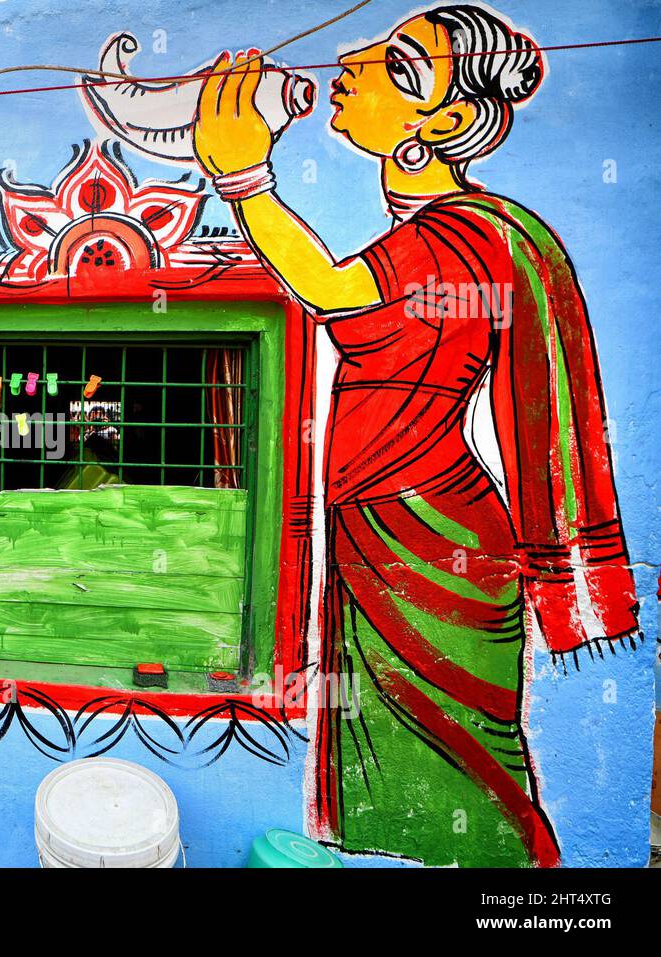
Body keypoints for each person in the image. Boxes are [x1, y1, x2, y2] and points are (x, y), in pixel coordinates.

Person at [192, 4, 638, 865]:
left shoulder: (459, 242)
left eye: (397, 65)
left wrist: (245, 176)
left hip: (429, 542)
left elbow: (329, 289)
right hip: (392, 530)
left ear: (448, 122)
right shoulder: (444, 238)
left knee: (470, 771)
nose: (351, 59)